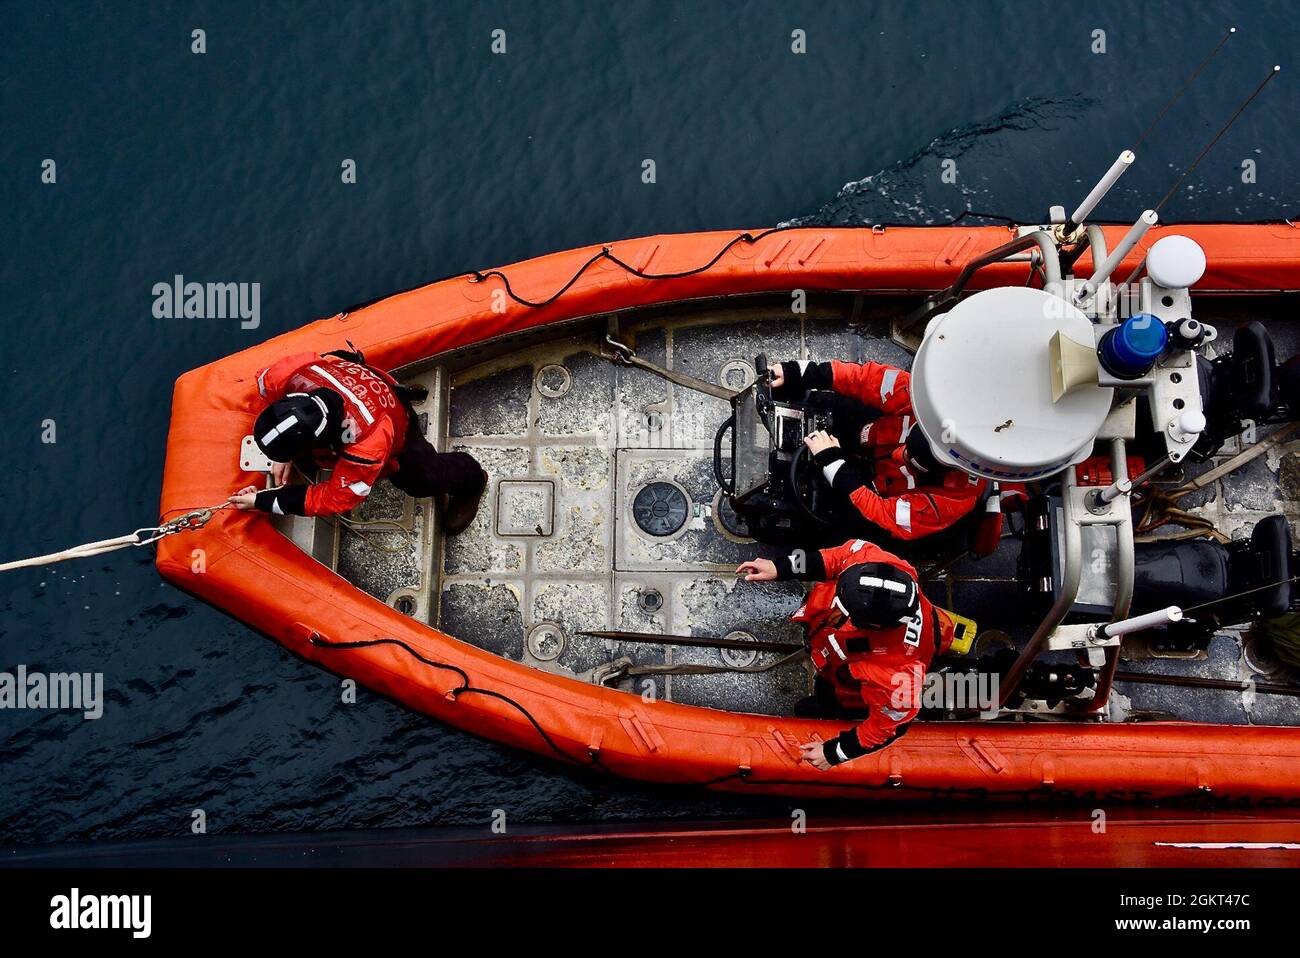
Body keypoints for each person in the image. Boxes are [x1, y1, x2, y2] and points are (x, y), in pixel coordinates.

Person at [736, 536, 958, 770]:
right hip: (832, 644)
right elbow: (831, 558)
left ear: (872, 625)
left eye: (845, 608)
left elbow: (888, 727)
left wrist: (834, 753)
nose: (837, 607)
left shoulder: (897, 675)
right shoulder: (873, 560)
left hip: (848, 681)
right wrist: (780, 567)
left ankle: (829, 706)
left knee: (828, 701)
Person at [227, 348, 486, 532]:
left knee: (423, 478)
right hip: (359, 391)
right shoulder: (287, 376)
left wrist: (262, 501)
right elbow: (270, 397)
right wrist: (281, 456)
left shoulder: (366, 445)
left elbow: (335, 498)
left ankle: (473, 479)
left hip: (395, 426)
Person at [771, 358, 987, 542]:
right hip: (869, 432)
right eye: (906, 449)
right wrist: (798, 373)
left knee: (833, 519)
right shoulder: (923, 397)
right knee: (822, 402)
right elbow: (864, 378)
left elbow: (883, 519)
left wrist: (833, 463)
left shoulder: (954, 501)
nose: (898, 455)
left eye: (909, 459)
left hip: (875, 492)